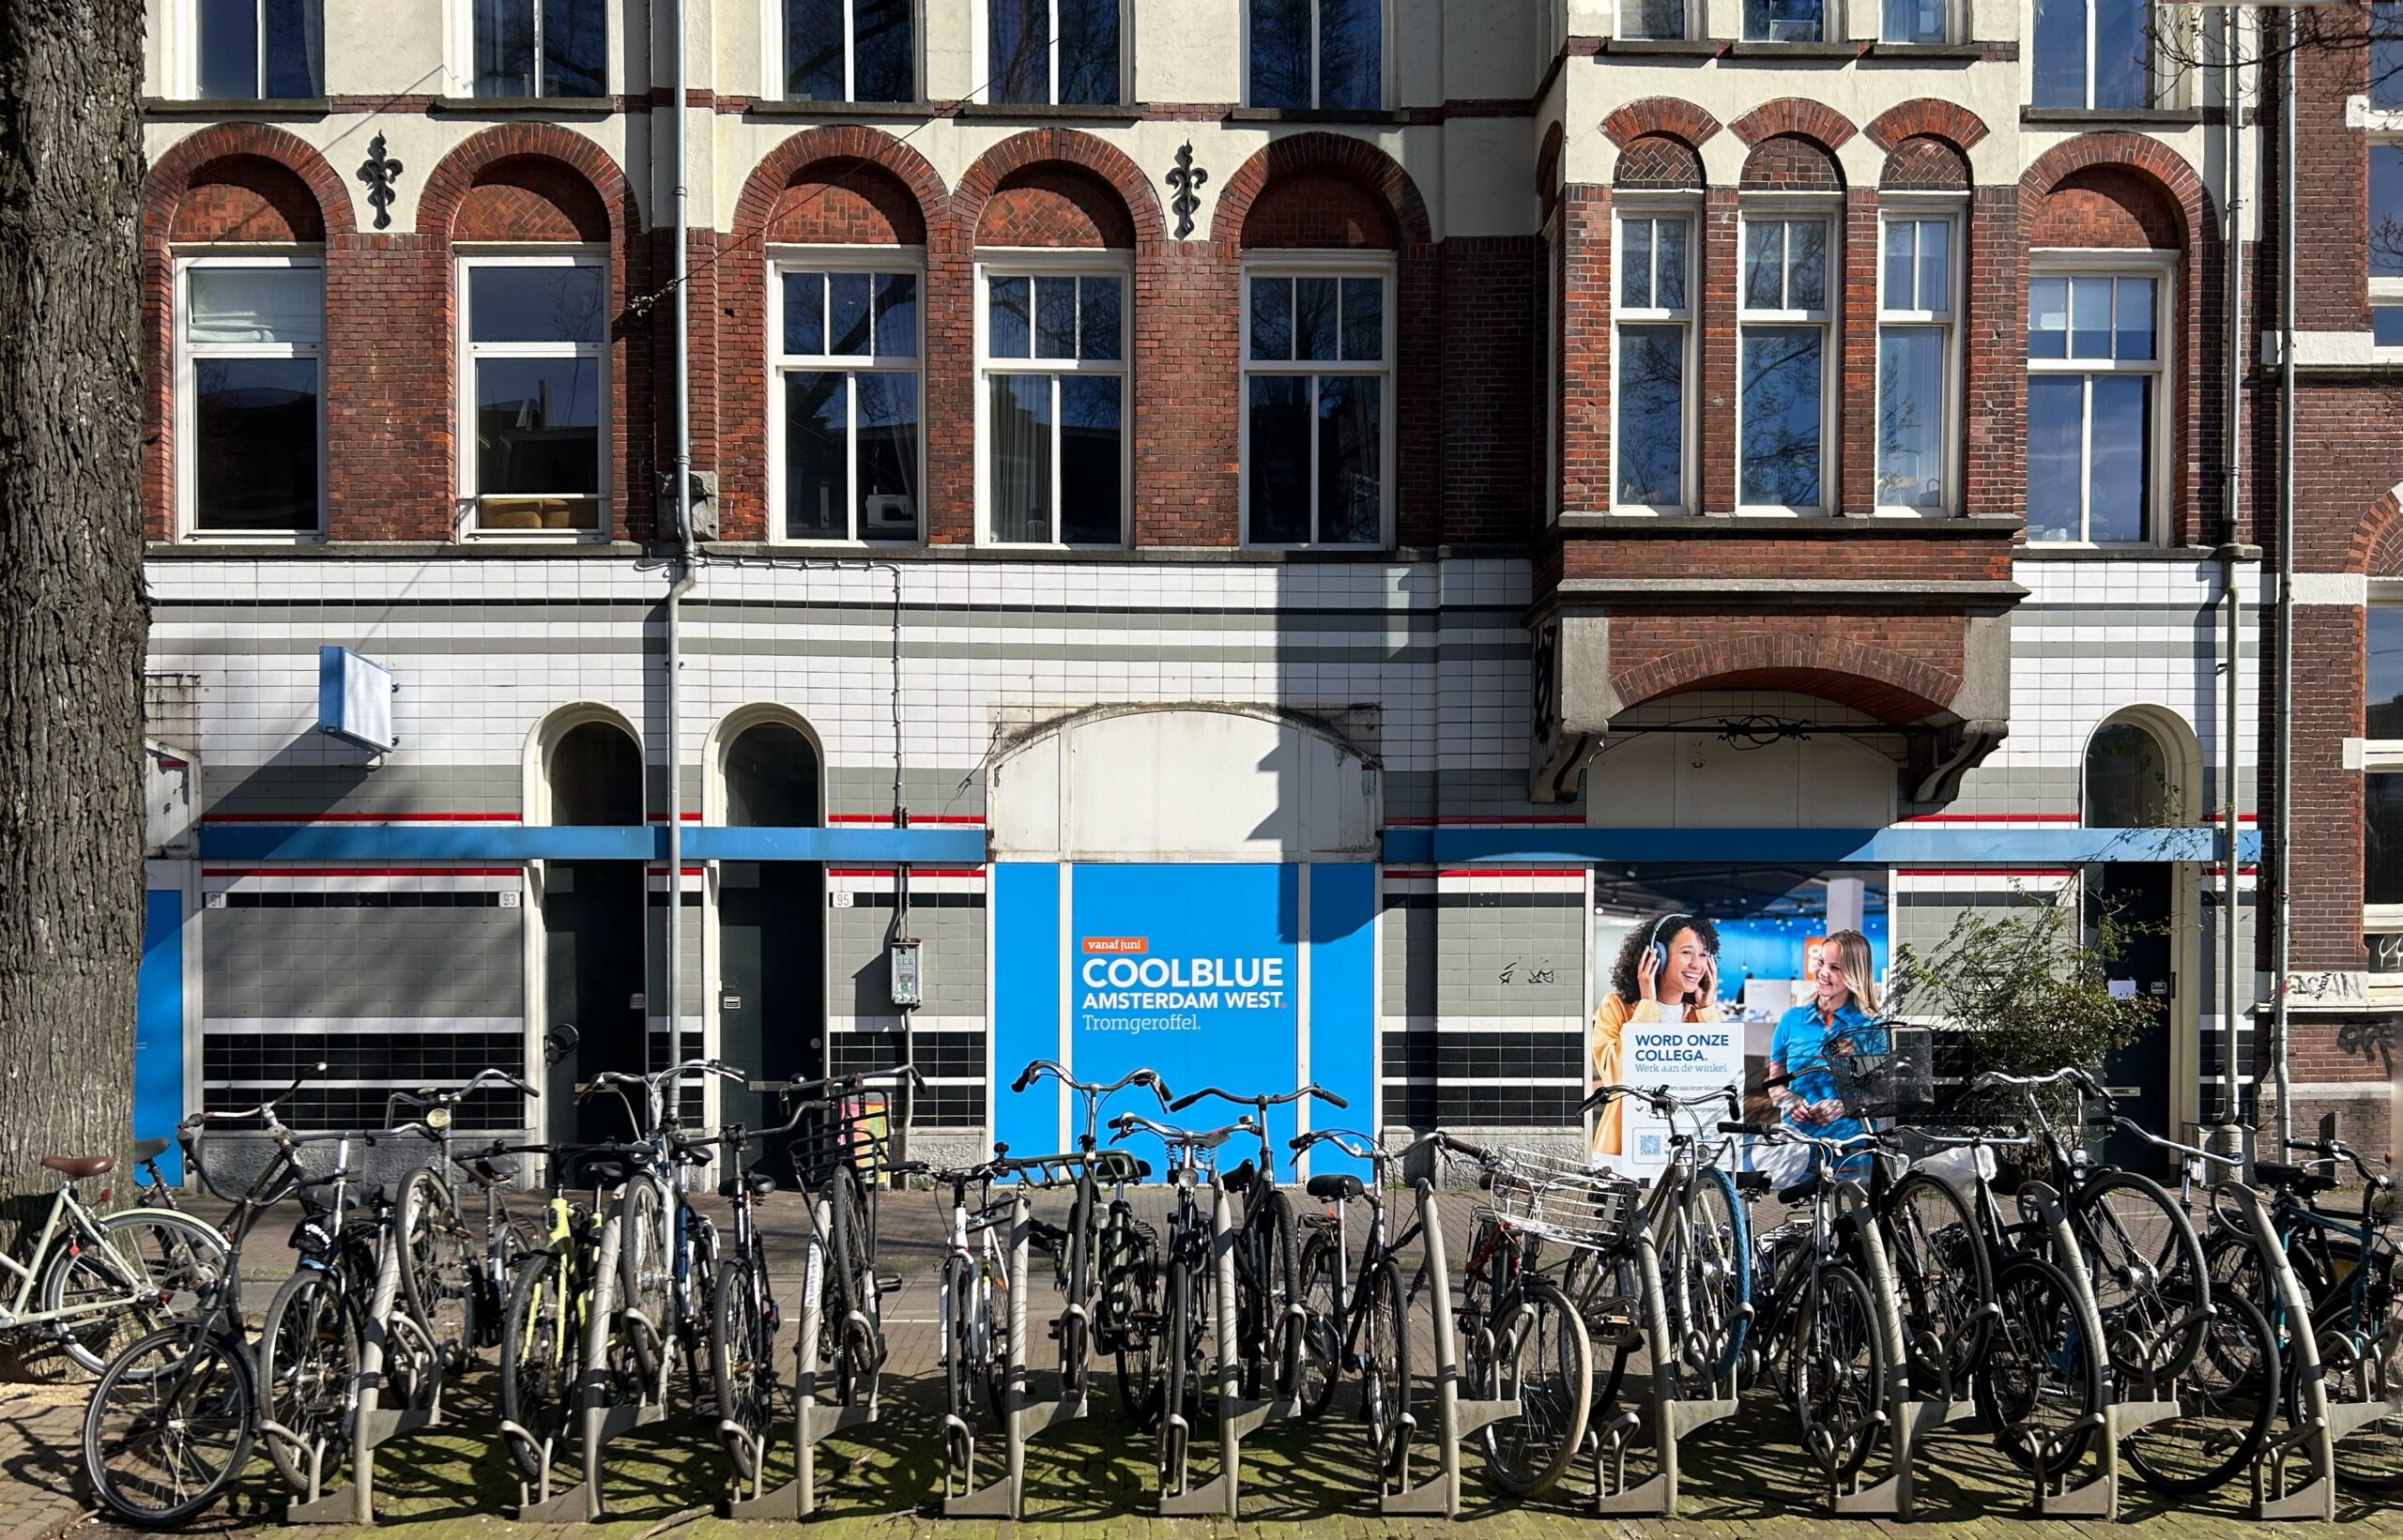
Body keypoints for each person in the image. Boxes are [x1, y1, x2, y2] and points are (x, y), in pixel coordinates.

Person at [1588, 912, 1722, 1166]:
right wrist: (1648, 1007)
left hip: (1685, 1144)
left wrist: (1708, 1013)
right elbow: (1617, 1077)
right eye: (1687, 952)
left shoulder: (1701, 1016)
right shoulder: (1617, 1007)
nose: (1697, 964)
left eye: (1703, 954)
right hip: (1625, 1146)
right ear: (1656, 957)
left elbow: (1716, 1082)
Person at [1762, 928, 1887, 1182]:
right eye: (1821, 963)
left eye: (1836, 968)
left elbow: (1882, 1092)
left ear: (1855, 974)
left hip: (1852, 1154)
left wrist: (1843, 1106)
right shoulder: (1791, 1020)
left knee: (1853, 1222)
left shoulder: (1872, 1027)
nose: (1823, 973)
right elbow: (1775, 1082)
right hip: (1796, 1151)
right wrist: (1788, 1098)